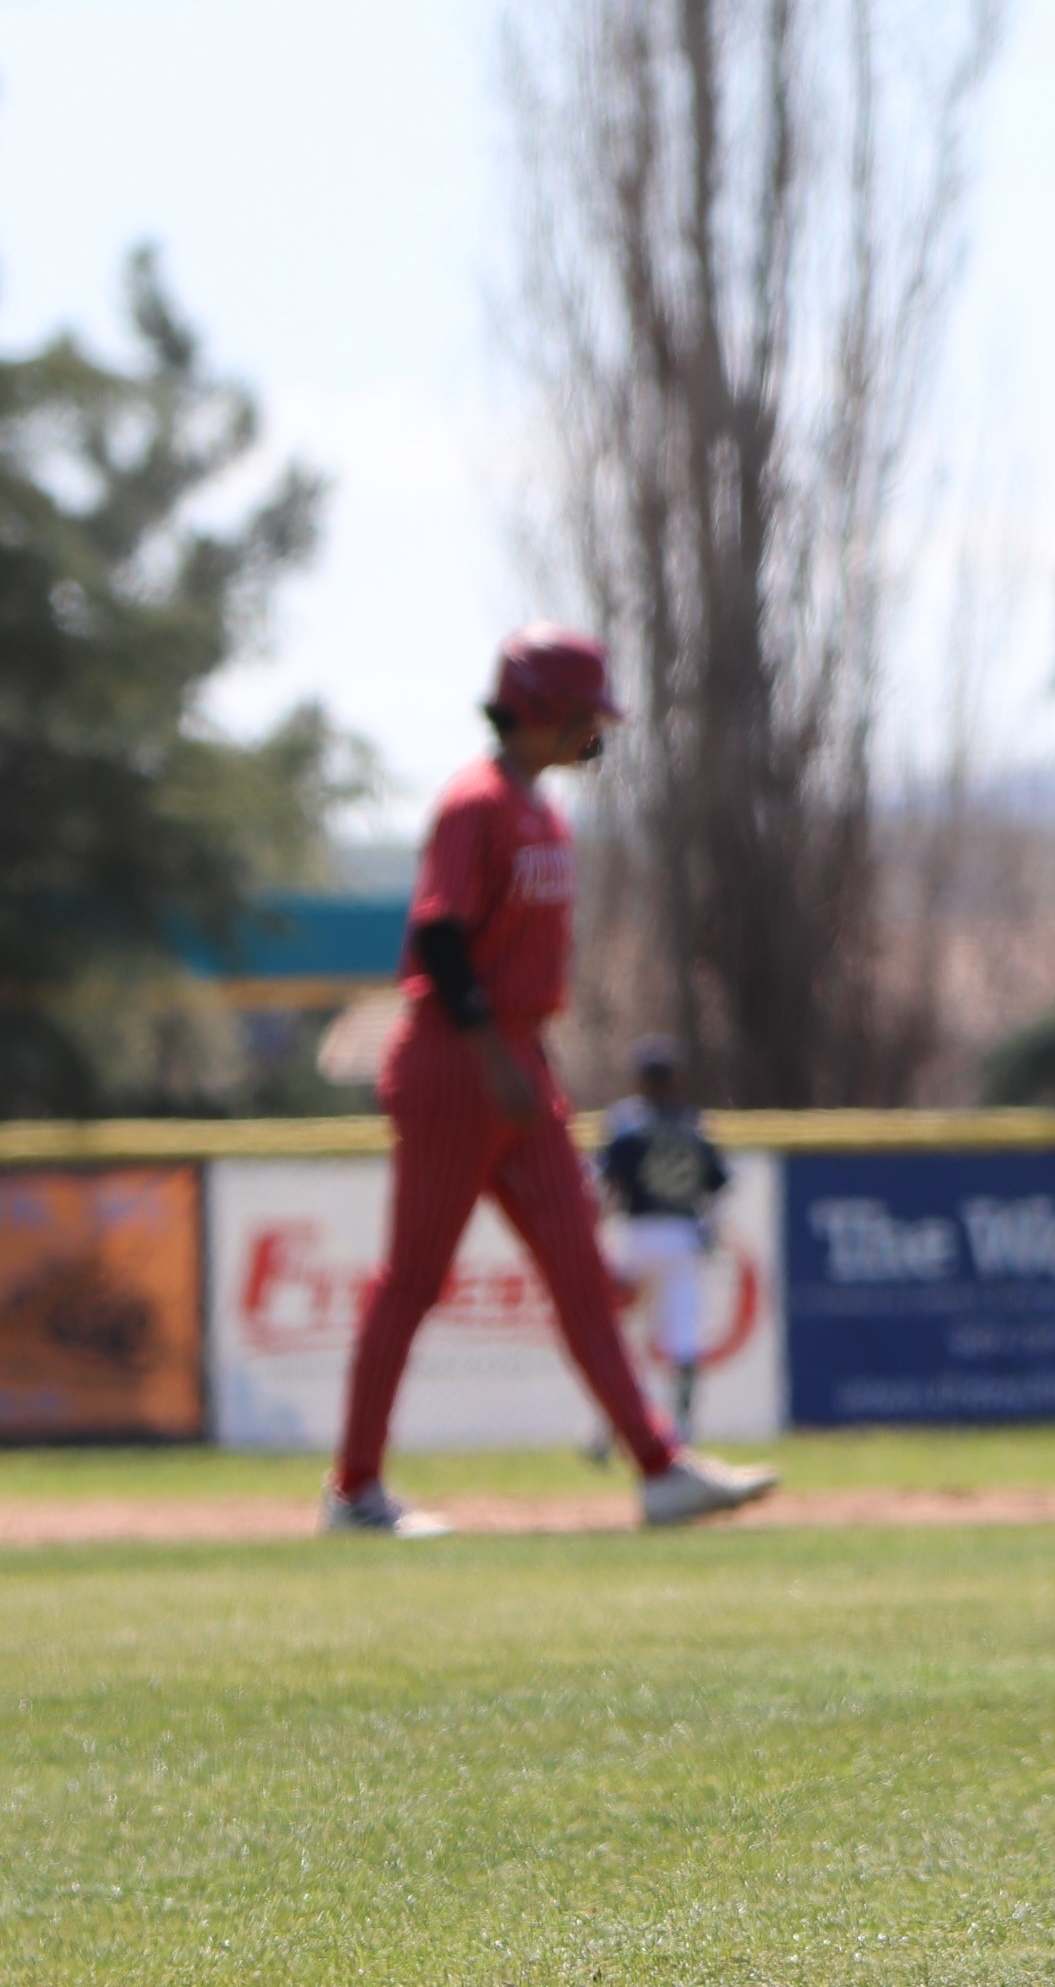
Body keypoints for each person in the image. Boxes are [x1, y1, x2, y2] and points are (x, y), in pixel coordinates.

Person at [323, 628, 778, 1539]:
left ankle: (660, 1468)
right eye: (583, 713)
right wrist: (494, 1057)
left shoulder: (544, 808)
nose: (595, 730)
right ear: (539, 709)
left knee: (582, 1274)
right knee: (414, 1282)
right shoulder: (476, 803)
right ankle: (356, 1490)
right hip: (458, 1060)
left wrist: (524, 1058)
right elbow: (440, 937)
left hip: (516, 1056)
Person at [598, 1035, 732, 1447]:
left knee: (615, 1336)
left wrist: (599, 1230)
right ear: (675, 1080)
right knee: (683, 1337)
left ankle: (609, 1429)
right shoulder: (693, 1124)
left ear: (640, 1080)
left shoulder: (627, 1122)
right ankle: (683, 1428)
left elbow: (607, 1182)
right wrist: (710, 1232)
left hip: (637, 1235)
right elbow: (717, 1185)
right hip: (682, 1235)